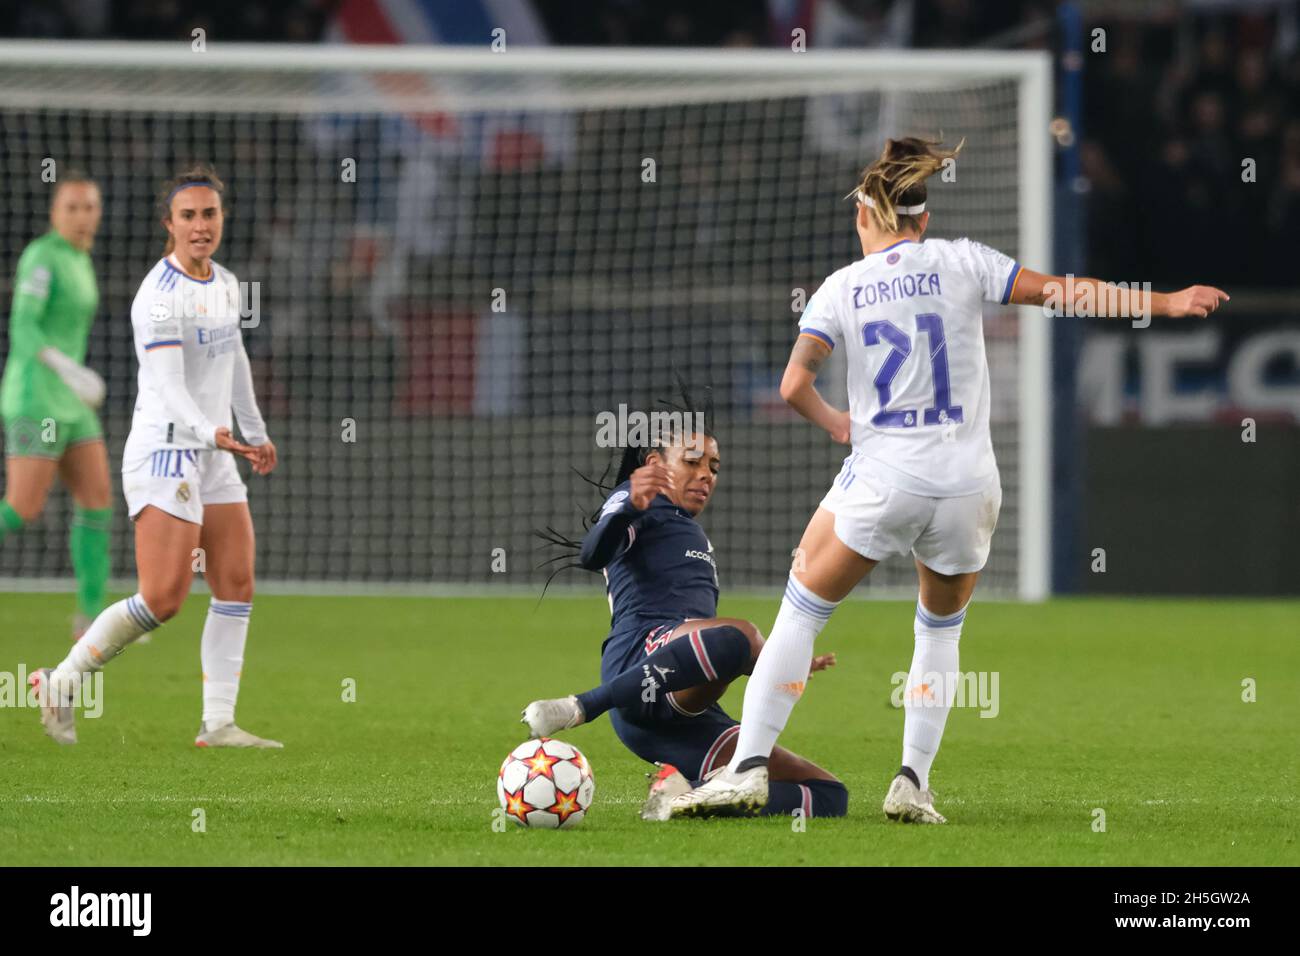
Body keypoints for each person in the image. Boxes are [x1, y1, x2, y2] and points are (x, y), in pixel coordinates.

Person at [671, 137, 1228, 822]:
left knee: (803, 610)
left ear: (865, 219)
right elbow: (1065, 294)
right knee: (939, 632)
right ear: (922, 219)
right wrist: (1166, 303)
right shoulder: (967, 262)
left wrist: (838, 423)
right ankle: (911, 782)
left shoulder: (841, 288)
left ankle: (748, 766)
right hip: (969, 486)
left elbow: (793, 385)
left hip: (885, 476)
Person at [29, 163, 282, 748]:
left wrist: (253, 430)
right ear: (168, 224)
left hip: (213, 451)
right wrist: (209, 431)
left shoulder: (224, 282)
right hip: (167, 449)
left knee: (236, 581)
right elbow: (166, 385)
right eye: (188, 216)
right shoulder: (158, 297)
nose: (200, 226)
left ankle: (218, 723)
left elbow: (235, 356)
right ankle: (62, 680)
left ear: (222, 219)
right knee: (165, 596)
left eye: (210, 214)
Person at [522, 412, 848, 821]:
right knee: (741, 636)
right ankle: (578, 706)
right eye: (691, 461)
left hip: (684, 720)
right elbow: (593, 554)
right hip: (637, 663)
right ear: (655, 465)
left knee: (829, 795)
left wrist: (781, 660)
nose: (706, 475)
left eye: (713, 467)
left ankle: (680, 795)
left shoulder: (689, 530)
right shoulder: (638, 502)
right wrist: (629, 507)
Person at [1, 173, 112, 639]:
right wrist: (66, 368)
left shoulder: (81, 260)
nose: (82, 215)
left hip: (71, 404)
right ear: (54, 213)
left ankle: (90, 618)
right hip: (36, 397)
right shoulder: (42, 257)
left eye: (89, 206)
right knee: (22, 508)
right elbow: (23, 328)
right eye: (72, 207)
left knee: (98, 501)